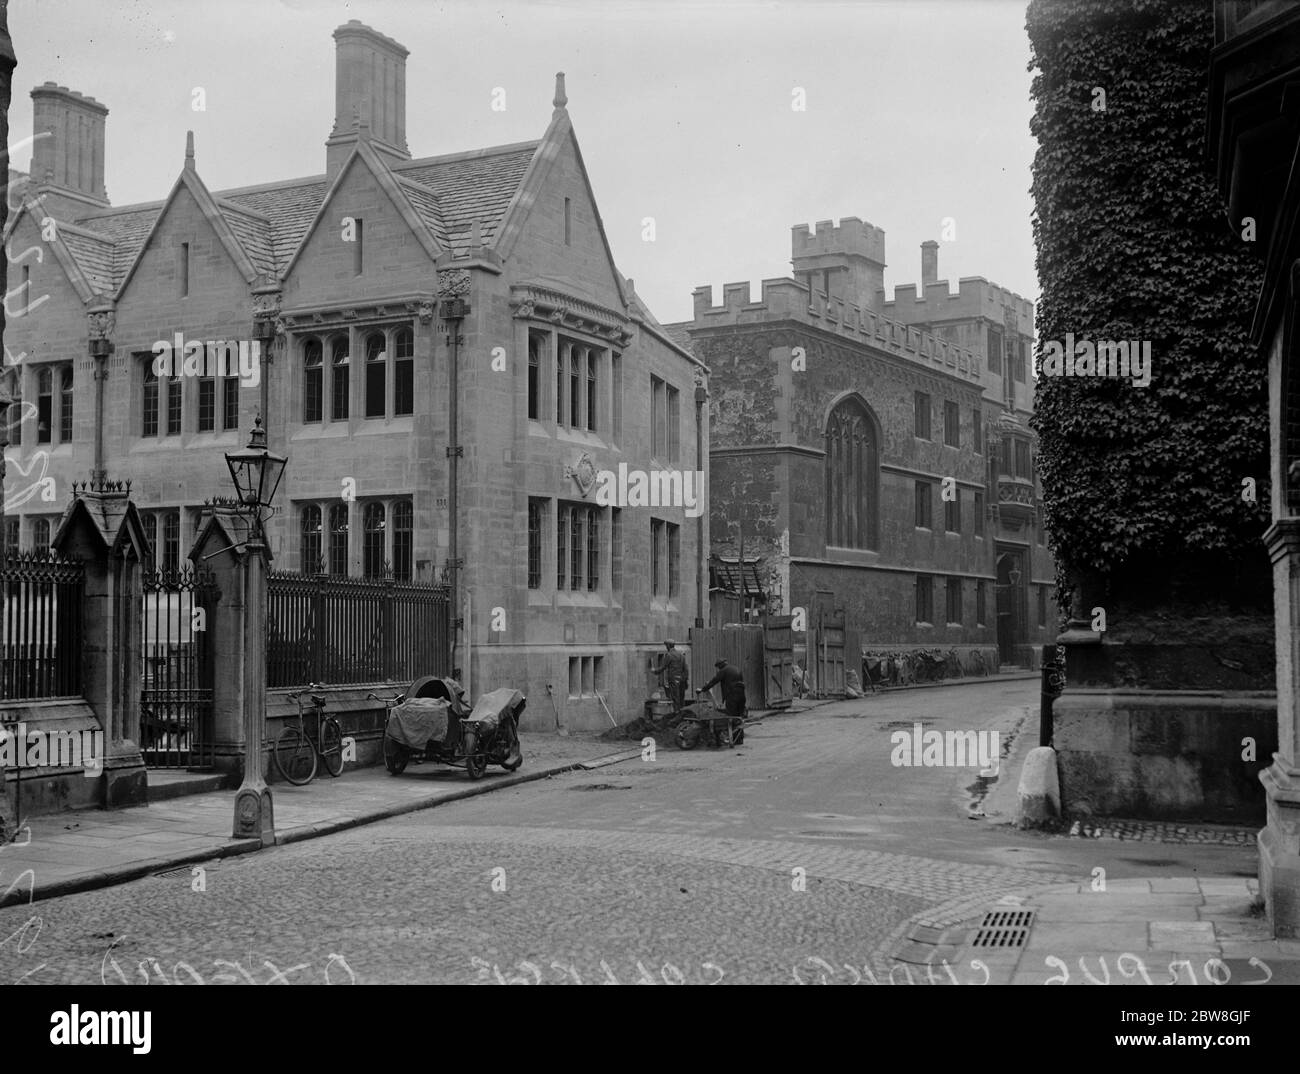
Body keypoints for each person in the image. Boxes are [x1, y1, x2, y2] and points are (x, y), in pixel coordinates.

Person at [654, 639, 689, 716]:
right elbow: (686, 669)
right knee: (681, 698)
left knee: (675, 698)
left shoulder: (669, 655)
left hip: (673, 680)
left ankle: (677, 715)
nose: (666, 647)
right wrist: (685, 680)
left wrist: (655, 671)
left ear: (669, 646)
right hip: (681, 680)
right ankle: (682, 714)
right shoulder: (681, 655)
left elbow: (663, 667)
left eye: (666, 646)